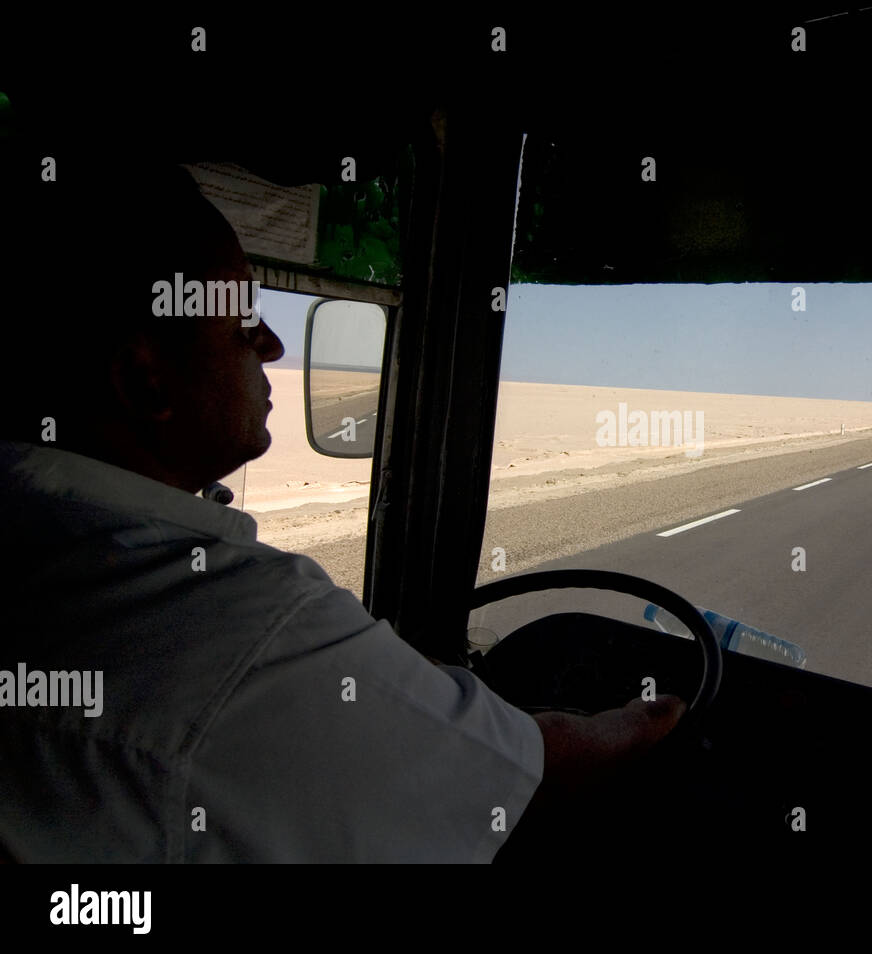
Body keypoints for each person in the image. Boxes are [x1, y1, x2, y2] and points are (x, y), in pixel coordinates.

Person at [0, 165, 685, 862]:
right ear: (145, 381)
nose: (270, 343)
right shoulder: (244, 628)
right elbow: (531, 774)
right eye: (241, 319)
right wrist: (648, 722)